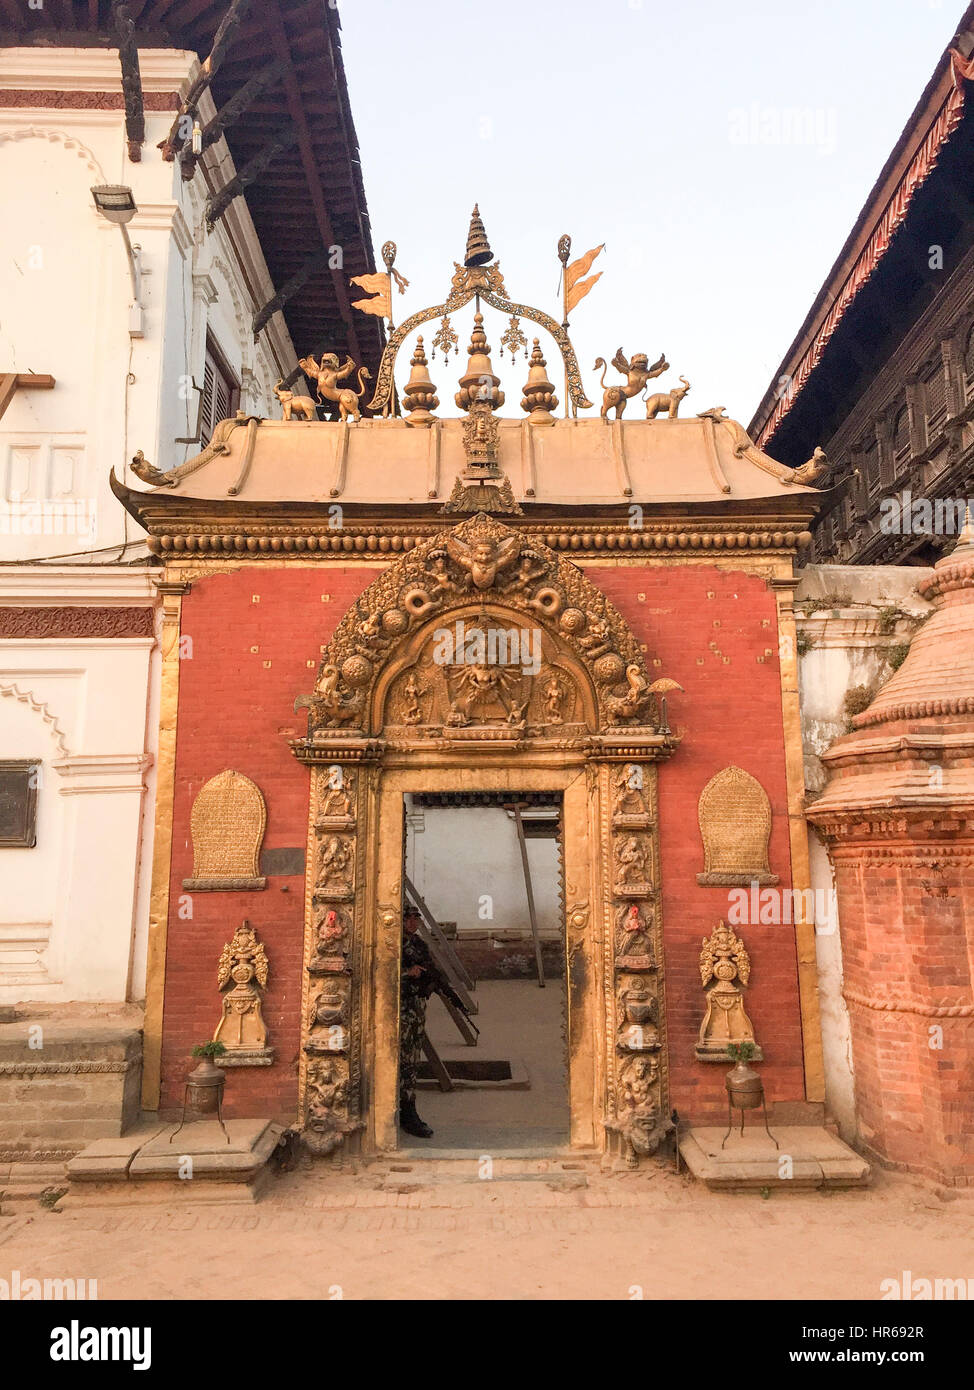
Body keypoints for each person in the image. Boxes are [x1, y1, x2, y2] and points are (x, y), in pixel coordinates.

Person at [399, 905, 469, 1139]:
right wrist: (407, 974)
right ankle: (402, 1113)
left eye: (415, 918)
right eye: (407, 918)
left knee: (410, 1062)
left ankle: (408, 1111)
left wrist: (434, 983)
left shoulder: (419, 945)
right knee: (398, 1063)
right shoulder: (392, 944)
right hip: (396, 1012)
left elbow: (432, 971)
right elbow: (380, 973)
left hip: (415, 1013)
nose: (412, 922)